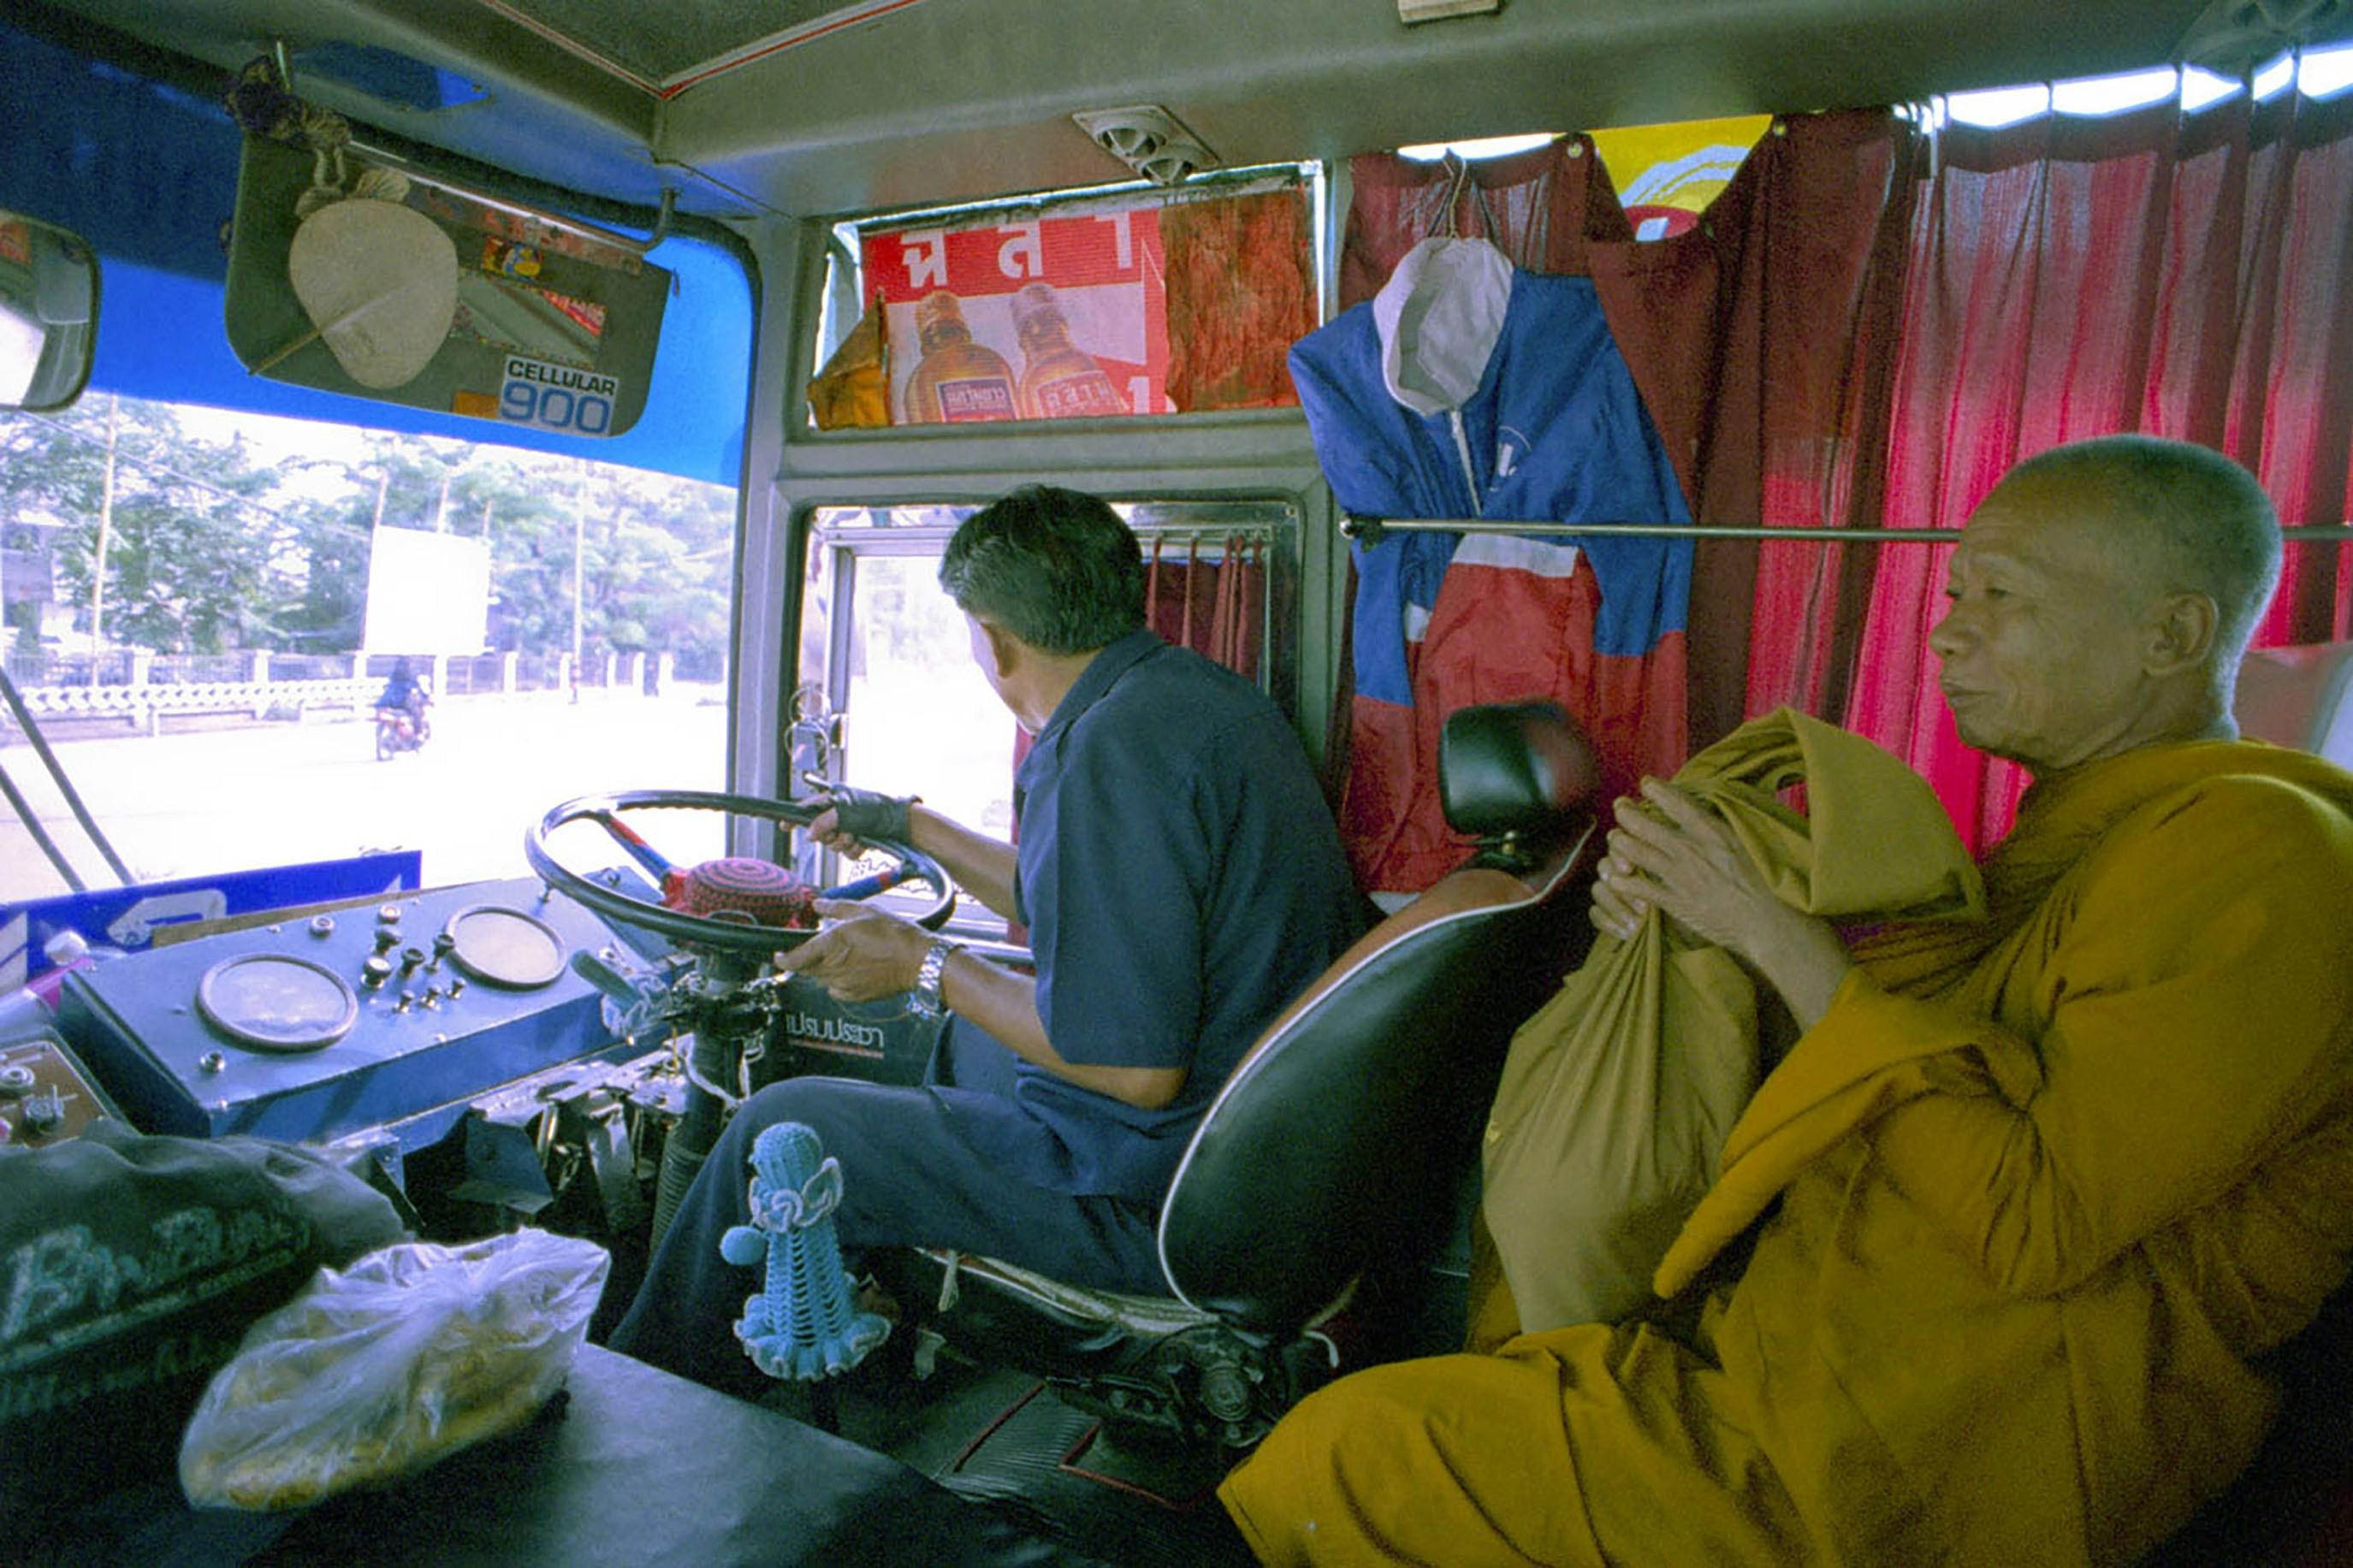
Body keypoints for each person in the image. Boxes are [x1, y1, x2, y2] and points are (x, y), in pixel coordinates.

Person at [1218, 435, 2353, 1565]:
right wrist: (1699, 955)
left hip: (1941, 1457)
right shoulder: (2068, 841)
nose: (1946, 629)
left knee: (1343, 1462)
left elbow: (2034, 1214)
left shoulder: (2267, 858)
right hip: (1813, 1364)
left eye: (2001, 597)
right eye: (1954, 591)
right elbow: (1923, 1066)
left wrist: (1775, 936)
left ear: (2173, 634)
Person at [609, 485, 1367, 1397]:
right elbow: (1082, 900)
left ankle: (642, 1396)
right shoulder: (1190, 703)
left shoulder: (1103, 752)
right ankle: (884, 1307)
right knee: (952, 1034)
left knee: (783, 1122)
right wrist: (908, 825)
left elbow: (1135, 1072)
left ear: (995, 639)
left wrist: (922, 961)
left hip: (1154, 1193)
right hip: (1248, 1156)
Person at [372, 657, 430, 739]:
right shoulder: (409, 676)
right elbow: (415, 688)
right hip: (402, 700)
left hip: (390, 699)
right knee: (416, 712)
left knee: (415, 710)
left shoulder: (394, 675)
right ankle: (418, 733)